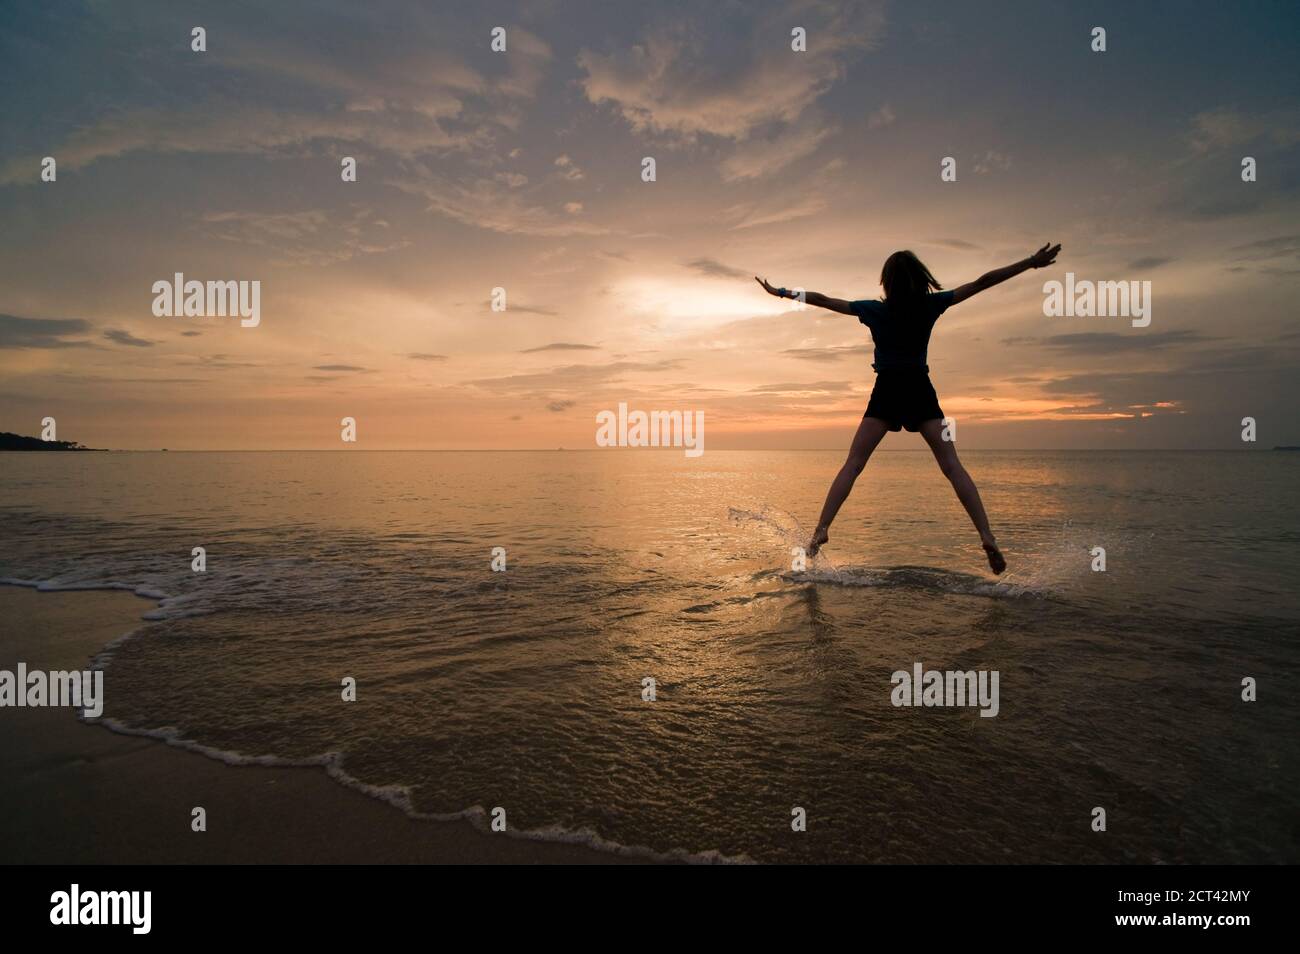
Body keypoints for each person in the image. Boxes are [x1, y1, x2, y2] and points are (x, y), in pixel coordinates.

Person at [755, 243, 1061, 574]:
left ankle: (822, 530)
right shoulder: (931, 305)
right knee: (952, 466)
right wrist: (1030, 262)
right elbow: (983, 281)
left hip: (886, 392)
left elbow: (825, 300)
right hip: (920, 392)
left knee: (853, 464)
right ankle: (986, 535)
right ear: (920, 279)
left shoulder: (873, 310)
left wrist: (782, 292)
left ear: (887, 282)